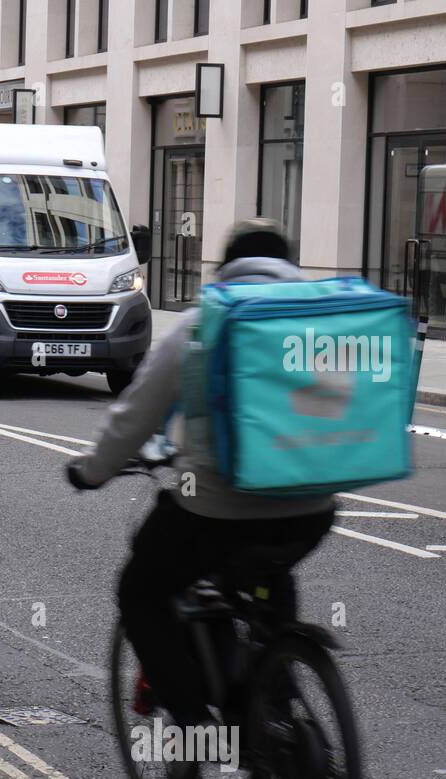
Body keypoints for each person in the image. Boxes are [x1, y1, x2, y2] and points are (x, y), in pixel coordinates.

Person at [66, 219, 335, 728]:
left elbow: (134, 416)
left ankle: (195, 721)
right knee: (269, 571)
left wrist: (91, 471)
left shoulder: (200, 325)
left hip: (218, 508)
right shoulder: (321, 318)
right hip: (313, 509)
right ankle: (277, 694)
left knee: (141, 591)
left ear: (227, 265)